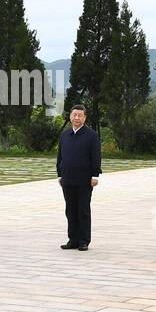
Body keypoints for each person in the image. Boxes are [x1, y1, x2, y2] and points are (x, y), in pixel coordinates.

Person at [57, 104, 101, 251]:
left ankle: (83, 240)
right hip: (67, 179)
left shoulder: (92, 136)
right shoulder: (65, 134)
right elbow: (60, 156)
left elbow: (96, 157)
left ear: (84, 117)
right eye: (74, 115)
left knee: (83, 210)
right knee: (70, 210)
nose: (76, 118)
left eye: (80, 115)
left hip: (84, 180)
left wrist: (95, 175)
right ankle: (73, 239)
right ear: (70, 116)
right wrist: (60, 174)